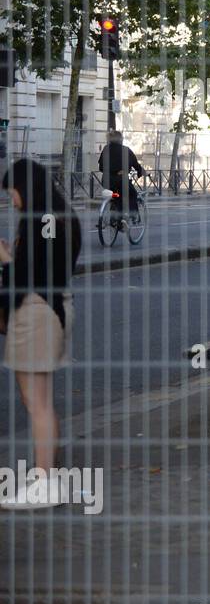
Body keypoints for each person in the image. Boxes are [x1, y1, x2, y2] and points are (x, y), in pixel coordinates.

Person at [1, 160, 82, 509]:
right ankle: (49, 480)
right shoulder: (62, 214)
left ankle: (45, 483)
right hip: (53, 308)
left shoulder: (41, 220)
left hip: (37, 312)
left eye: (12, 191)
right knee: (41, 403)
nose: (10, 199)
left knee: (37, 404)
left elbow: (29, 274)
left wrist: (6, 259)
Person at [98, 130, 144, 214]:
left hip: (106, 181)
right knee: (132, 194)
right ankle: (133, 215)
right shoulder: (126, 150)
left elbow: (101, 167)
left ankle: (116, 219)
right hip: (121, 181)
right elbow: (135, 164)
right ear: (120, 139)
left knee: (116, 196)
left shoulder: (105, 149)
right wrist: (141, 172)